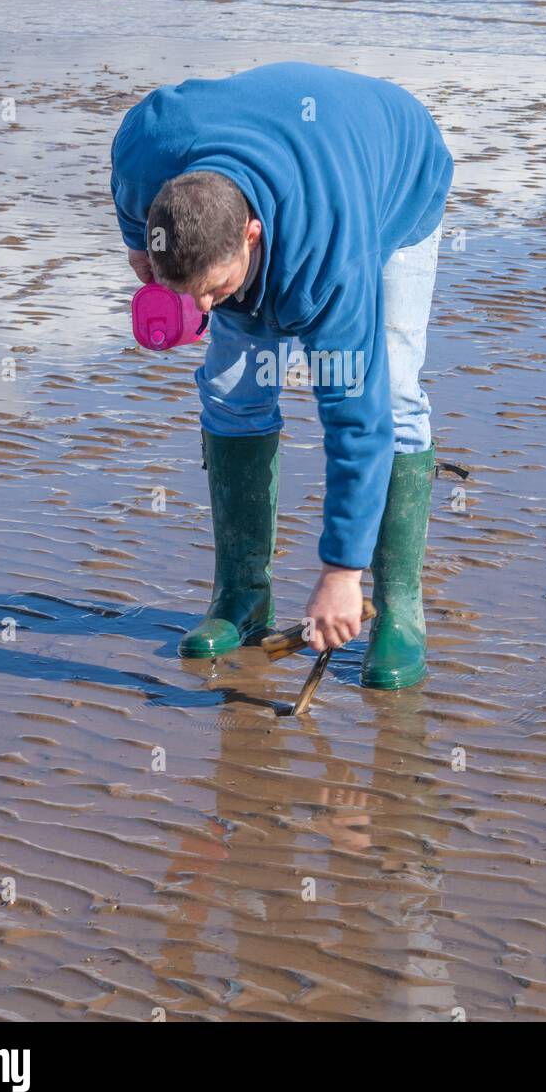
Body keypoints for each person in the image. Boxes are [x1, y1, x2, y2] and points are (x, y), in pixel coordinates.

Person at [110, 61, 453, 690]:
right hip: (280, 166)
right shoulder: (151, 151)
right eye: (191, 296)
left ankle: (399, 609)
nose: (204, 309)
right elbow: (133, 151)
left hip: (396, 173)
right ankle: (240, 597)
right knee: (232, 389)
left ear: (251, 234)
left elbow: (357, 422)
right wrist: (140, 245)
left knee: (395, 393)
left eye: (215, 290)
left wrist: (340, 574)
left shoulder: (332, 263)